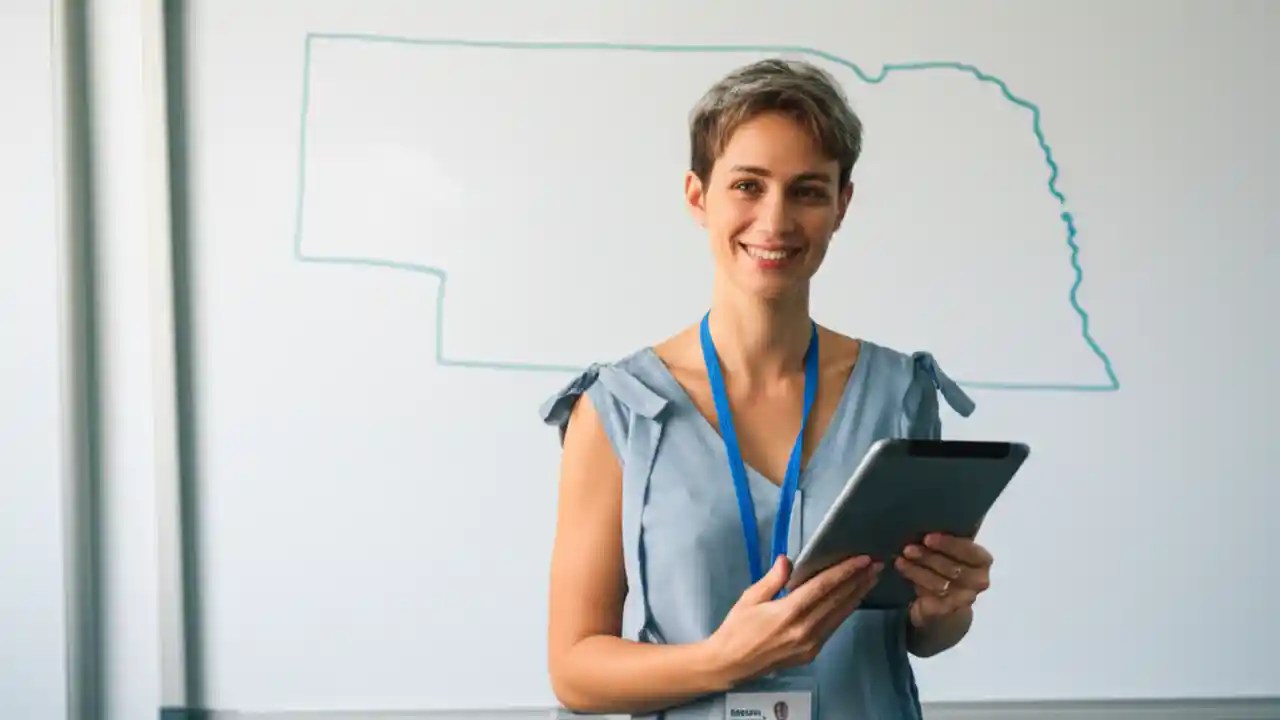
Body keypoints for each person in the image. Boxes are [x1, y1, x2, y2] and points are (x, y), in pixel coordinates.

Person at [539, 57, 994, 719]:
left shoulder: (899, 393)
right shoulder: (618, 410)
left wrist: (945, 607)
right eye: (748, 185)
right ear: (698, 196)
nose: (775, 220)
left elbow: (920, 635)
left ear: (842, 205)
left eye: (808, 190)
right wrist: (728, 658)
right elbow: (575, 671)